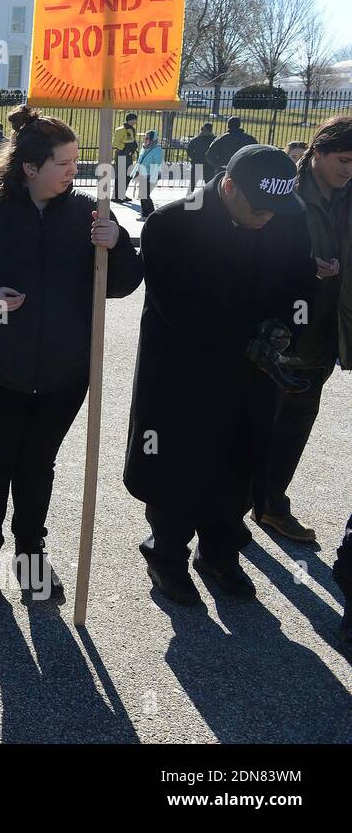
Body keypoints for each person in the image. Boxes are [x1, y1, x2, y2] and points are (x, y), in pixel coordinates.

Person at [0, 106, 144, 602]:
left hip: (65, 374)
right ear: (30, 167)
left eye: (75, 161)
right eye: (63, 162)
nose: (75, 170)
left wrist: (119, 245)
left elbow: (122, 286)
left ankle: (31, 555)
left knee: (38, 465)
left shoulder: (92, 214)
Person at [124, 144, 315, 605]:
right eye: (259, 208)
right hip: (185, 375)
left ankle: (221, 551)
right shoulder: (172, 223)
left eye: (277, 209)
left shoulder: (287, 215)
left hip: (254, 374)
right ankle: (166, 555)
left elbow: (301, 281)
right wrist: (247, 336)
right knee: (179, 468)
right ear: (228, 187)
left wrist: (286, 326)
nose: (268, 217)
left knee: (241, 463)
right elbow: (179, 308)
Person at [255, 117, 352, 542]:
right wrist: (302, 267)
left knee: (294, 429)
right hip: (279, 335)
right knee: (255, 430)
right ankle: (220, 530)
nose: (350, 170)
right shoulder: (283, 193)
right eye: (344, 160)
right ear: (318, 152)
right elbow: (251, 252)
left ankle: (272, 505)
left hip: (325, 335)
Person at [133, 130, 164, 220]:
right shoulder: (144, 148)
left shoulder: (157, 149)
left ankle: (151, 215)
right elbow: (140, 160)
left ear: (152, 139)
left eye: (147, 138)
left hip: (151, 174)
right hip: (143, 173)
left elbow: (158, 163)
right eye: (144, 138)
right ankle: (145, 214)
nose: (145, 140)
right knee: (142, 194)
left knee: (145, 194)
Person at [113, 112, 140, 200]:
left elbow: (131, 140)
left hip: (129, 155)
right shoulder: (121, 129)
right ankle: (116, 196)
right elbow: (115, 142)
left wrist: (131, 149)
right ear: (131, 120)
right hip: (122, 154)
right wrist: (125, 148)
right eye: (135, 119)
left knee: (128, 175)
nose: (136, 121)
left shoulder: (131, 129)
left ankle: (122, 194)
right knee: (121, 176)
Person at [186, 122, 214, 191]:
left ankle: (189, 197)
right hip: (207, 164)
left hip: (199, 163)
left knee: (195, 183)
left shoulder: (197, 139)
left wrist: (193, 158)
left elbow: (189, 150)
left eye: (203, 129)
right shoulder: (214, 140)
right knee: (208, 182)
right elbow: (189, 150)